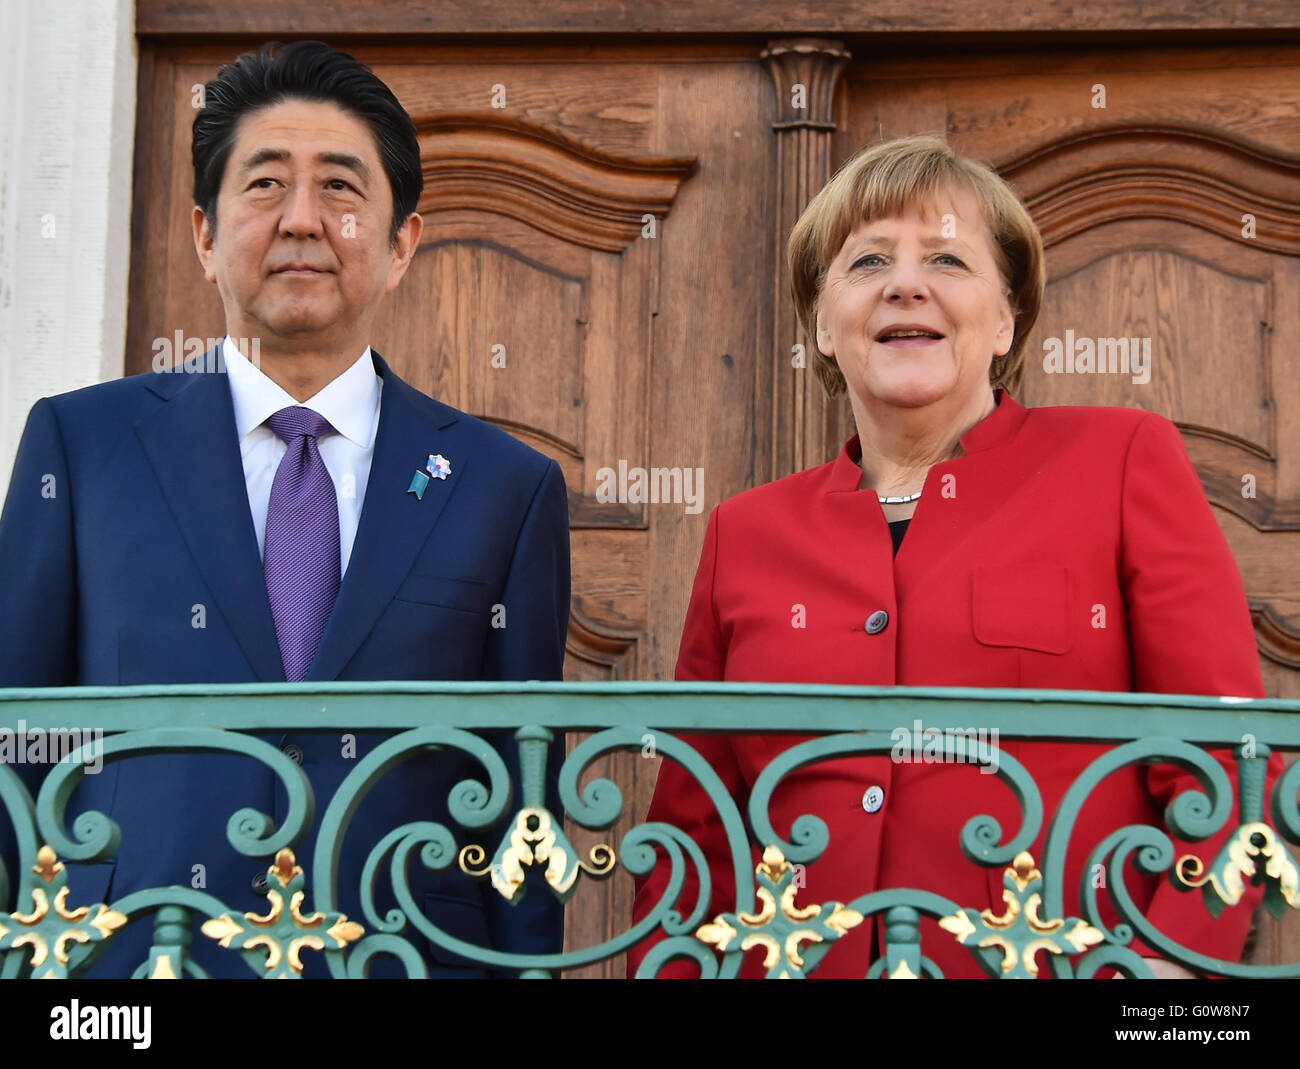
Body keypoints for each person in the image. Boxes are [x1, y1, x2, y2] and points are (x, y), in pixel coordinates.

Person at [629, 134, 1277, 979]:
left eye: (946, 257)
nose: (906, 282)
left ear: (1006, 318)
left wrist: (1165, 990)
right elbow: (694, 834)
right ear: (824, 326)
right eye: (867, 262)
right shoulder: (744, 532)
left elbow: (1227, 764)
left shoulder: (1119, 461)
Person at [0, 41, 569, 978]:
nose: (303, 220)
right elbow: (15, 747)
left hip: (407, 959)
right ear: (203, 234)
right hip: (131, 971)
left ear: (401, 245)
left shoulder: (502, 485)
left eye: (342, 188)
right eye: (265, 185)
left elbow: (524, 797)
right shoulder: (82, 447)